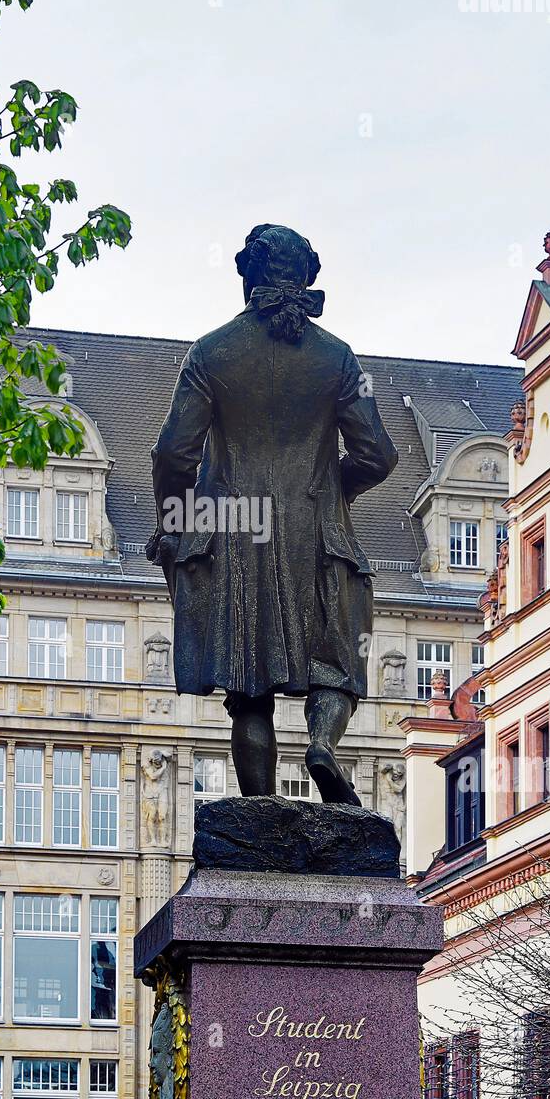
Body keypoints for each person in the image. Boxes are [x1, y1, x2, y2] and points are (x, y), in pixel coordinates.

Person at [149, 224, 397, 804]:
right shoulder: (336, 357)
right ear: (306, 277)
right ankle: (323, 746)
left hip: (236, 532)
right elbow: (378, 454)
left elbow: (173, 452)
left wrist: (172, 516)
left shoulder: (211, 353)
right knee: (337, 659)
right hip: (316, 529)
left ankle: (258, 811)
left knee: (248, 686)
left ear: (247, 276)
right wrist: (337, 490)